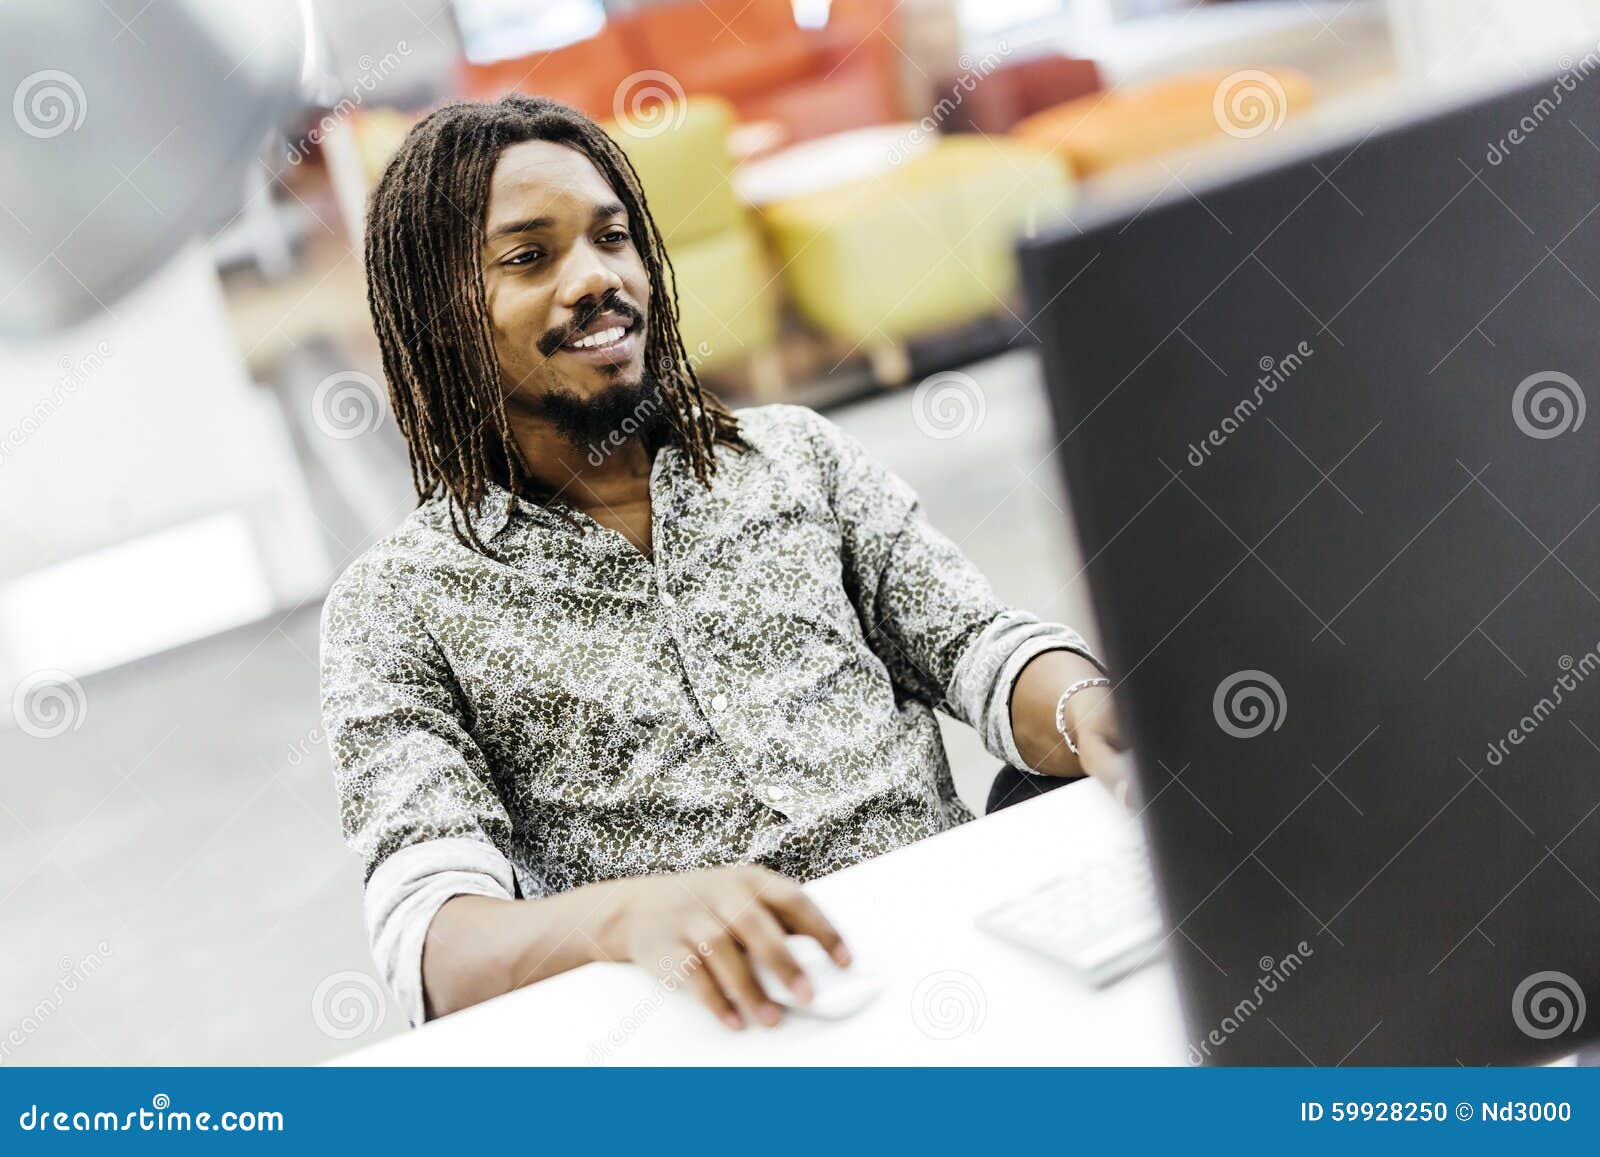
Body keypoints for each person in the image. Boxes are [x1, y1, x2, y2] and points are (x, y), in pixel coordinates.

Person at [319, 94, 1127, 1032]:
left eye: (613, 238)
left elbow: (980, 648)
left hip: (961, 959)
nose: (596, 279)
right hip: (722, 1029)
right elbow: (434, 946)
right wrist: (625, 917)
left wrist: (1089, 707)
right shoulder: (397, 605)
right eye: (530, 256)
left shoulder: (795, 457)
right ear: (440, 316)